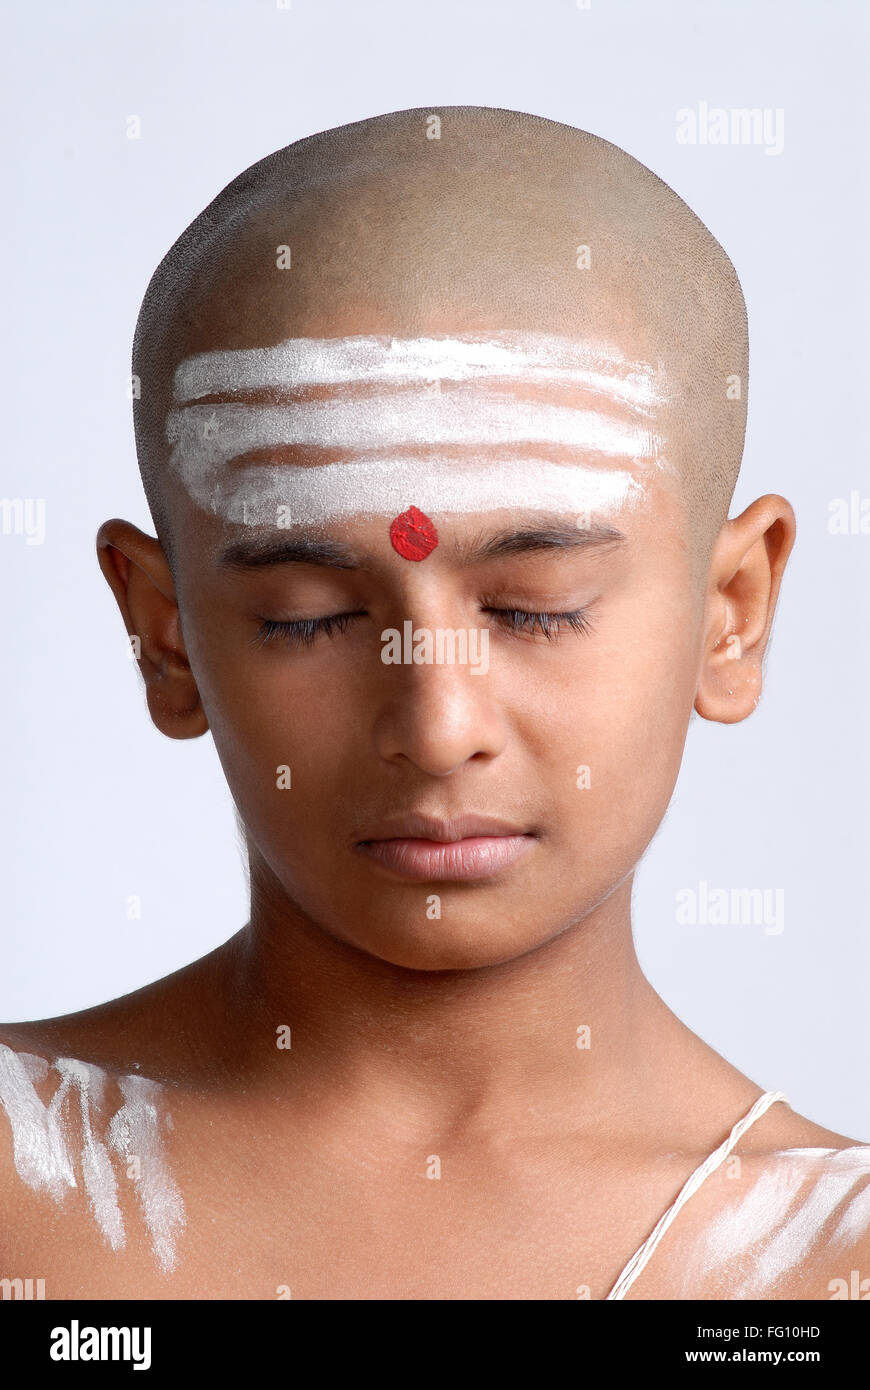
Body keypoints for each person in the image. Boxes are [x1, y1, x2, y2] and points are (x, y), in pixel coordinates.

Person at [2, 105, 868, 1301]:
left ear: (733, 609)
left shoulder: (833, 1269)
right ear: (166, 631)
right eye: (309, 613)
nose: (439, 723)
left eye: (538, 606)